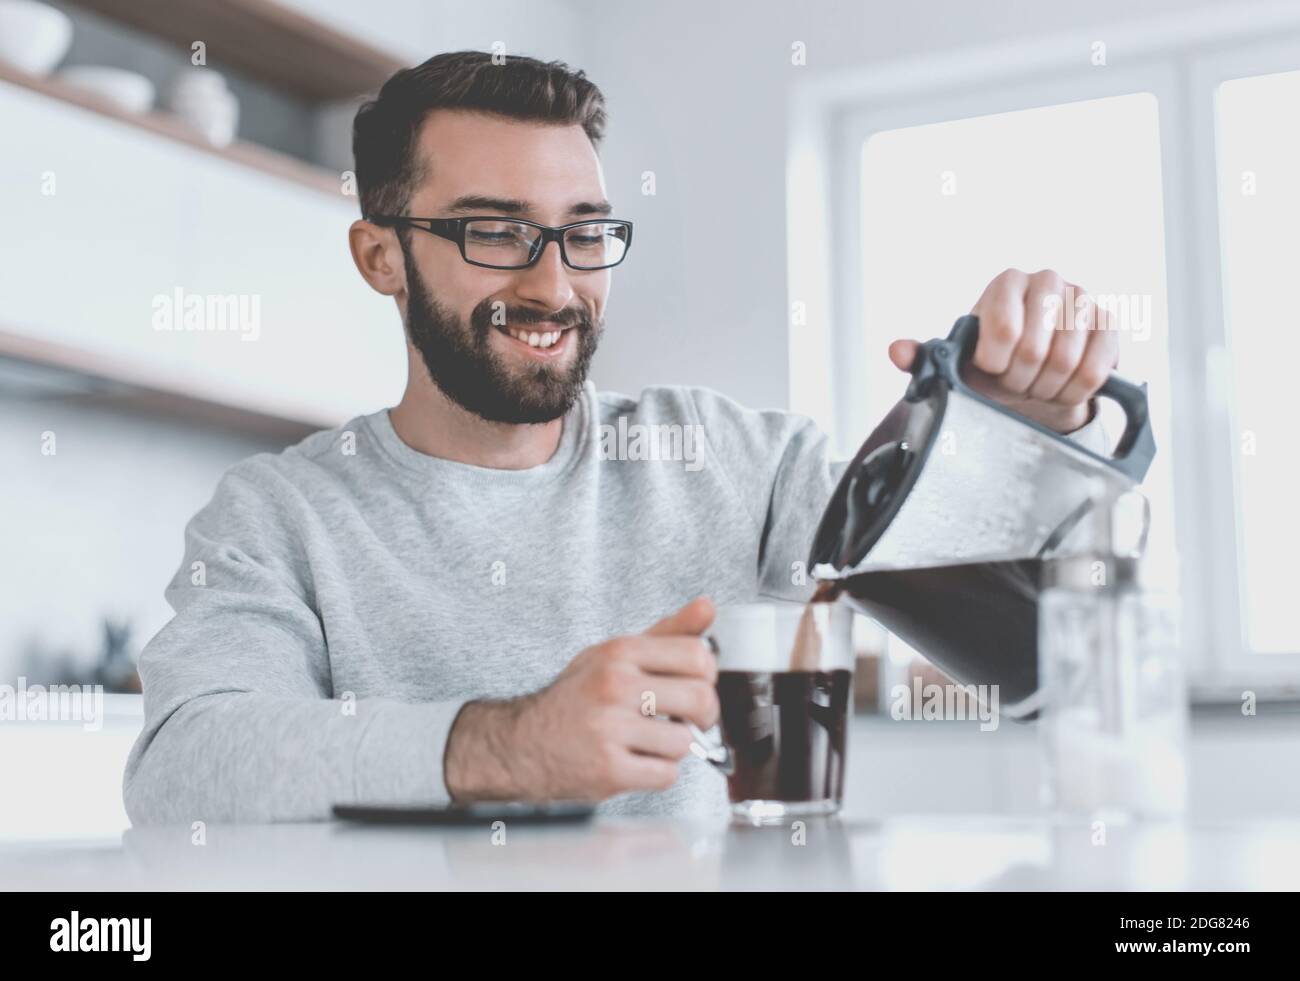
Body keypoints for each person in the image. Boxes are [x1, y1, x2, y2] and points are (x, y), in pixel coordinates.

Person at [123, 51, 1113, 824]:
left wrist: (1026, 429)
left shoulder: (734, 463)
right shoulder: (280, 514)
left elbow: (1042, 663)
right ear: (380, 255)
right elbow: (181, 766)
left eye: (584, 231)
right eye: (494, 231)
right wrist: (506, 746)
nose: (555, 286)